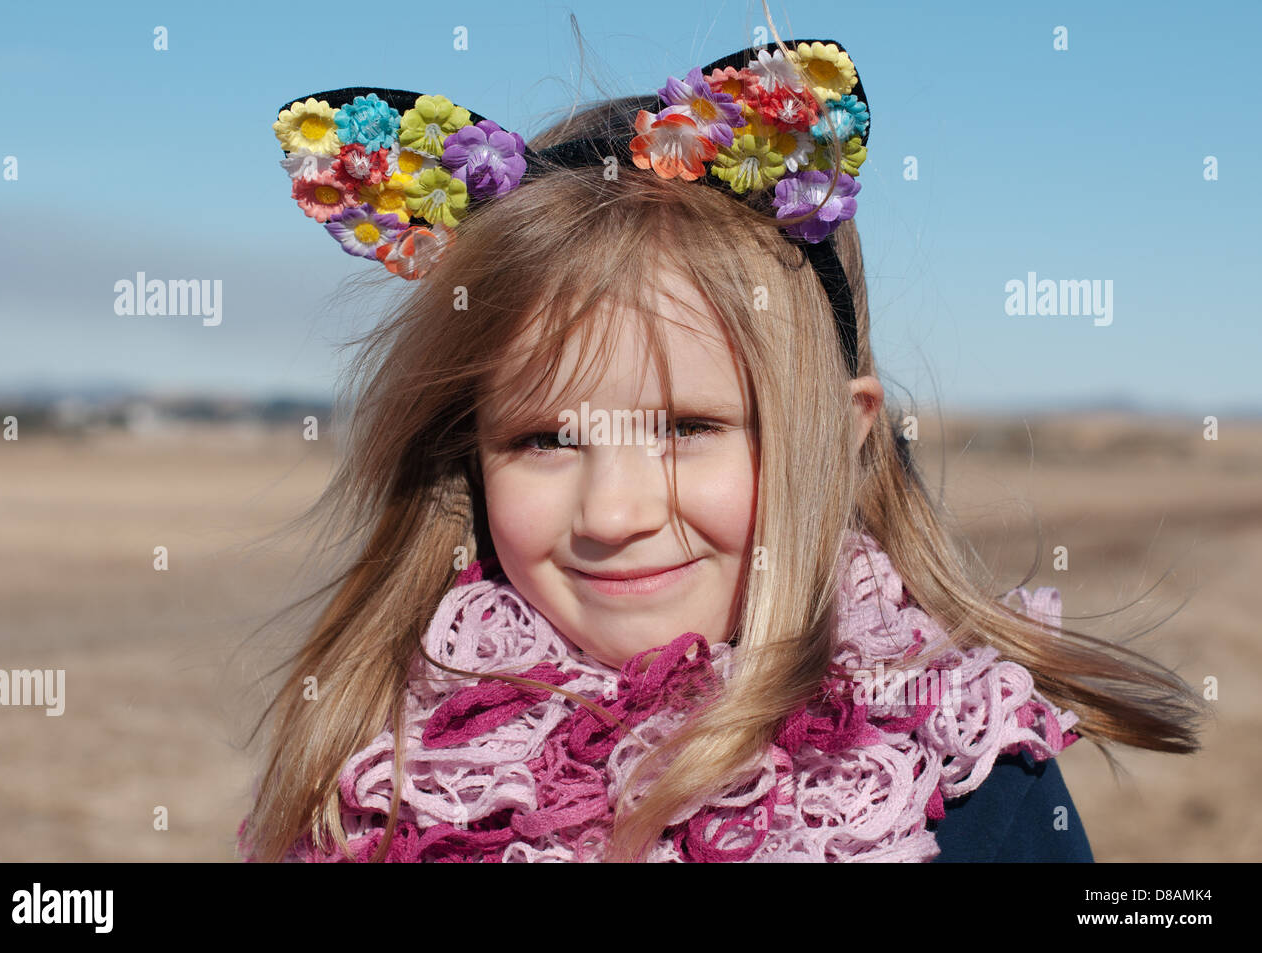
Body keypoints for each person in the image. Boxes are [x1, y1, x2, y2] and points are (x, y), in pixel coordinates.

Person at [237, 20, 1204, 863]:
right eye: (542, 439)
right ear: (466, 451)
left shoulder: (968, 784)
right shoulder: (376, 778)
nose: (614, 514)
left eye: (688, 428)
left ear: (840, 437)